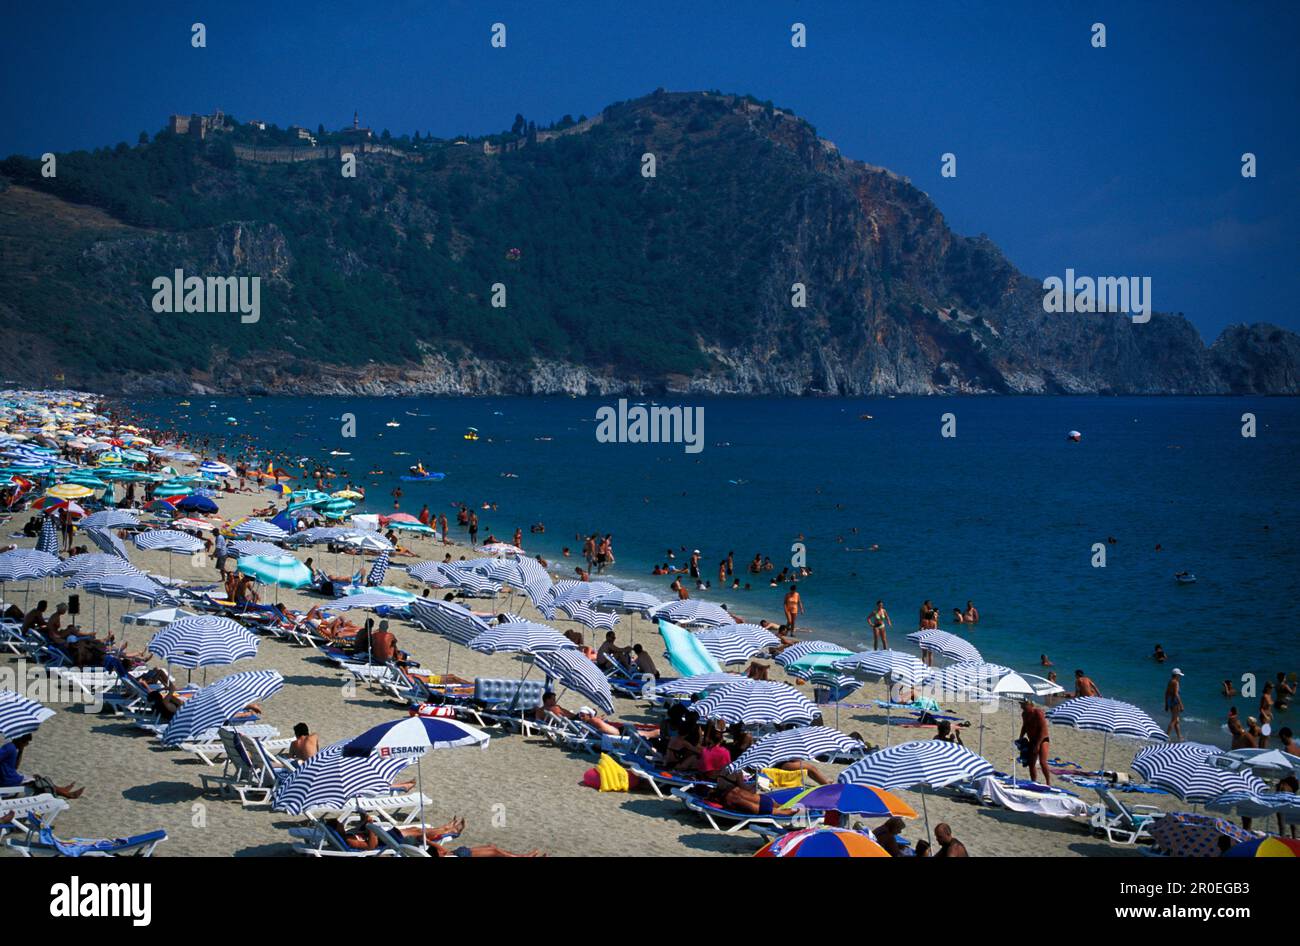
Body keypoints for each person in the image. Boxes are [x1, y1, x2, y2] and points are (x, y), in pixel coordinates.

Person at [328, 813, 544, 856]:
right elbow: (370, 847)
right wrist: (369, 830)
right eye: (338, 824)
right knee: (416, 831)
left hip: (386, 835)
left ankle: (447, 829)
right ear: (336, 829)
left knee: (416, 830)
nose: (341, 824)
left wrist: (366, 823)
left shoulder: (348, 833)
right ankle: (447, 829)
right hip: (384, 841)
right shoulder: (348, 841)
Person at [0, 734, 84, 799]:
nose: (27, 744)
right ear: (20, 740)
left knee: (38, 778)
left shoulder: (13, 748)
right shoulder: (9, 748)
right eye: (26, 742)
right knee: (39, 783)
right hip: (10, 781)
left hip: (13, 778)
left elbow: (15, 767)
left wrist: (21, 751)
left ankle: (62, 790)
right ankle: (67, 794)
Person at [1019, 699, 1052, 786]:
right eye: (1022, 705)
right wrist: (1020, 737)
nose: (1022, 707)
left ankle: (1048, 783)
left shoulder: (1038, 713)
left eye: (1024, 705)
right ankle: (1033, 782)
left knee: (1042, 761)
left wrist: (1037, 745)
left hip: (1043, 739)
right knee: (1031, 763)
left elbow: (1043, 730)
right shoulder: (1024, 714)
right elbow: (1025, 726)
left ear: (1030, 705)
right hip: (1032, 740)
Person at [1165, 668, 1184, 743]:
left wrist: (1166, 704)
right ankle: (1166, 736)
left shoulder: (1170, 681)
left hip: (1170, 701)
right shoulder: (1176, 682)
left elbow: (1166, 693)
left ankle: (1179, 736)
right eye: (1179, 675)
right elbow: (1176, 694)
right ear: (1176, 675)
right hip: (1174, 701)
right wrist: (1181, 704)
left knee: (1176, 720)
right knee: (1174, 720)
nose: (1179, 677)